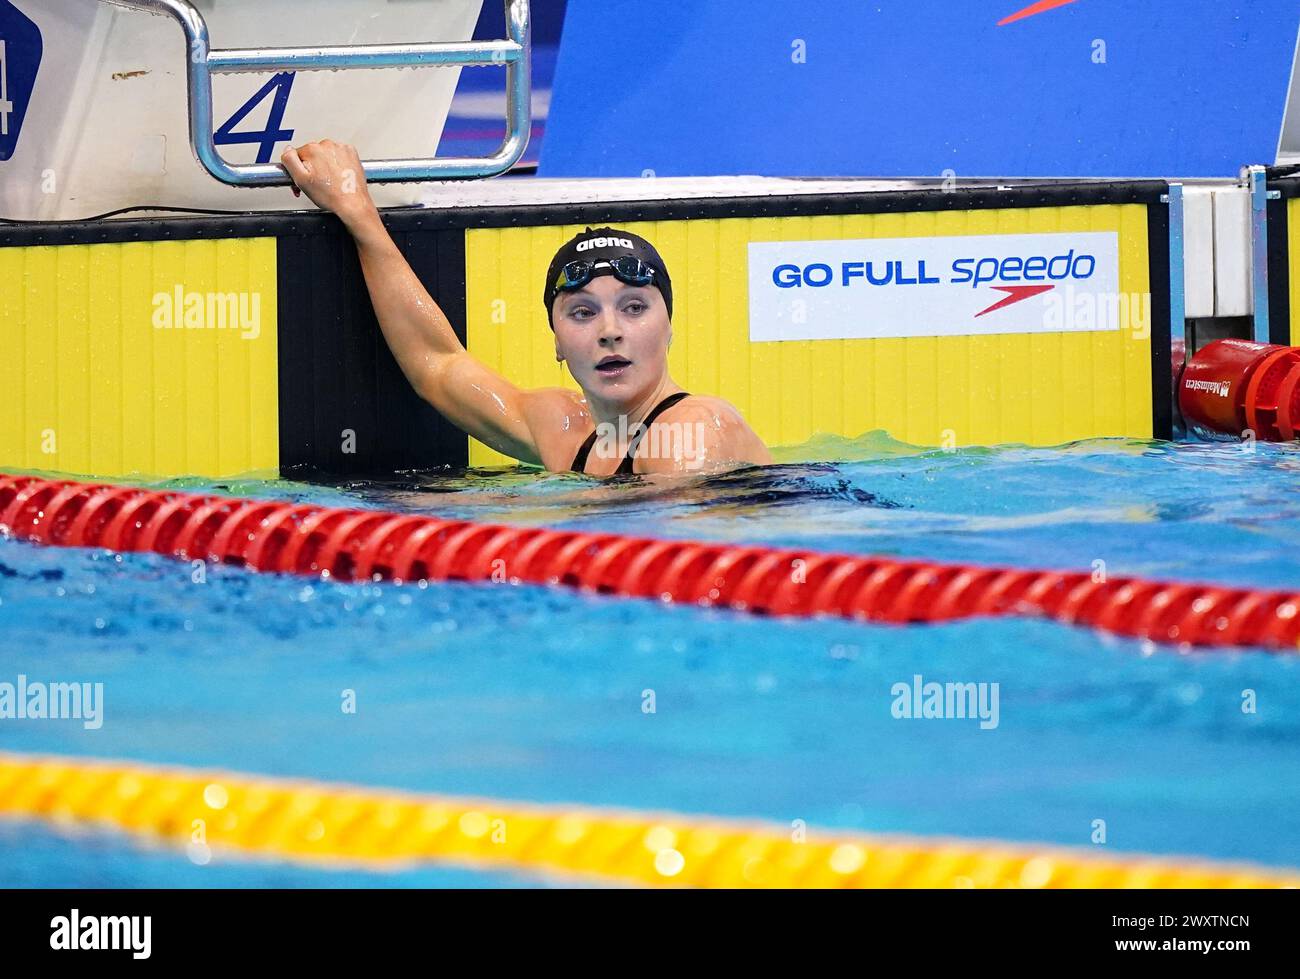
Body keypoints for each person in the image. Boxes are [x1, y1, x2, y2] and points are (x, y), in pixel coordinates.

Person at [281, 140, 773, 476]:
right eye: (582, 312)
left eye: (634, 308)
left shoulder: (693, 431)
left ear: (669, 328)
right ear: (556, 341)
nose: (610, 331)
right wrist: (357, 210)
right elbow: (437, 365)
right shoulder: (564, 428)